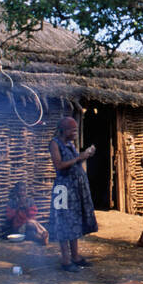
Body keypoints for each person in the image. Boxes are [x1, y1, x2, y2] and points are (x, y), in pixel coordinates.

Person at [48, 116, 99, 273]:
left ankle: (75, 257)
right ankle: (65, 260)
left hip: (74, 190)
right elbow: (59, 165)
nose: (75, 132)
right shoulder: (55, 144)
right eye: (73, 130)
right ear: (64, 130)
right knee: (63, 222)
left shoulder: (69, 144)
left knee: (74, 222)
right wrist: (80, 157)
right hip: (63, 190)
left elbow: (74, 162)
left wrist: (85, 155)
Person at [6, 181, 49, 245]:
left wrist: (26, 207)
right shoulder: (12, 202)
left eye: (23, 191)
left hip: (30, 226)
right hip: (18, 227)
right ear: (16, 192)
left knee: (30, 233)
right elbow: (9, 217)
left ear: (26, 191)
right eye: (20, 191)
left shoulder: (29, 201)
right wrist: (17, 208)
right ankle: (43, 232)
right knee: (30, 224)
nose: (21, 193)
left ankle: (41, 239)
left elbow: (34, 213)